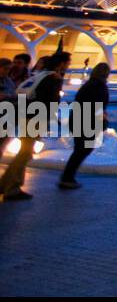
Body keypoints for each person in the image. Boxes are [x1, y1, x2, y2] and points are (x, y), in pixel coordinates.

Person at [2, 50, 69, 201]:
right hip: (36, 118)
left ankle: (5, 183)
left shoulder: (42, 75)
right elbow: (50, 101)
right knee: (25, 152)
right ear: (61, 64)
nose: (68, 66)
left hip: (26, 115)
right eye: (67, 63)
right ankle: (12, 187)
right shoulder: (54, 78)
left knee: (24, 151)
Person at [59, 62, 110, 189]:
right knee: (83, 149)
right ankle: (67, 177)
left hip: (77, 119)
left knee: (80, 149)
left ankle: (67, 176)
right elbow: (97, 106)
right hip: (86, 122)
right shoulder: (99, 86)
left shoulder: (88, 84)